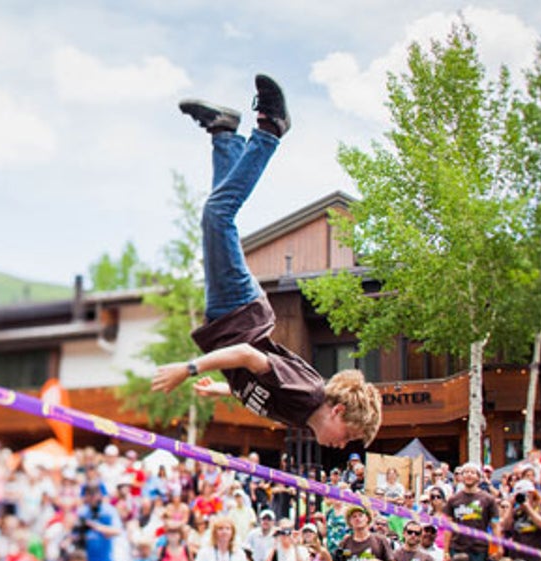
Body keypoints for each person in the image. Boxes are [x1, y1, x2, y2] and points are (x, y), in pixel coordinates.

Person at [150, 74, 382, 452]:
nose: (343, 447)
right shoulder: (307, 395)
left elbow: (261, 385)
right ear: (338, 412)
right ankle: (271, 129)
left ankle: (224, 133)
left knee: (219, 211)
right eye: (349, 438)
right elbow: (247, 355)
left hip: (228, 318)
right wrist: (187, 369)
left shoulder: (298, 412)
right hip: (239, 312)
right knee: (218, 215)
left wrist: (223, 390)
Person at [445, 464, 499, 561]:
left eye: (473, 472)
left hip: (479, 548)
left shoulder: (488, 499)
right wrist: (446, 551)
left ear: (478, 477)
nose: (469, 475)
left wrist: (497, 548)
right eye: (466, 472)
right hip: (457, 547)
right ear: (461, 477)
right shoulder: (453, 500)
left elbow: (495, 525)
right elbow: (448, 527)